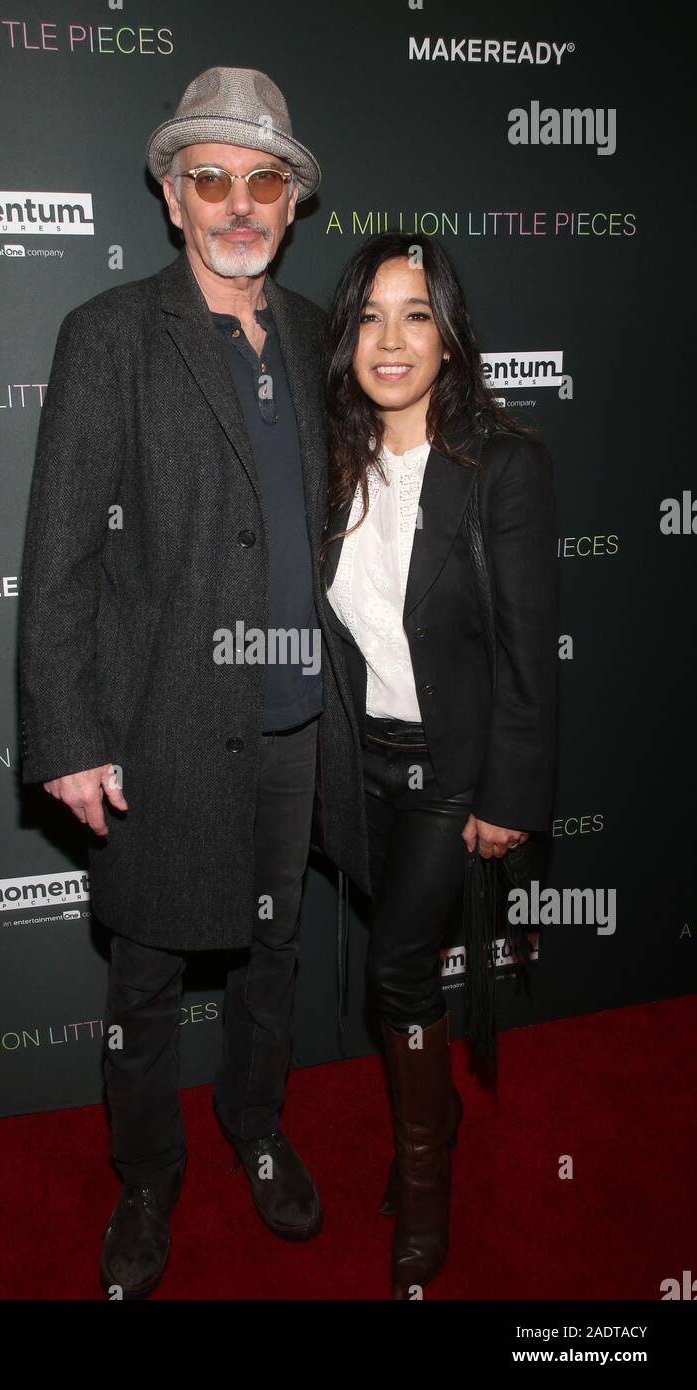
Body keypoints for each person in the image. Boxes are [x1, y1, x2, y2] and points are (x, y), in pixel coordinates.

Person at [17, 66, 369, 1299]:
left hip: (296, 726)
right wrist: (68, 727)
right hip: (161, 726)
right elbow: (59, 556)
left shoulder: (330, 339)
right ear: (171, 198)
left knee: (272, 959)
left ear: (290, 201)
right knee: (149, 974)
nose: (236, 203)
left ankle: (257, 1124)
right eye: (208, 178)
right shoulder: (108, 335)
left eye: (261, 180)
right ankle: (147, 1175)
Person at [321, 232, 558, 1300]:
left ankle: (425, 1177)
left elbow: (525, 648)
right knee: (395, 962)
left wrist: (506, 797)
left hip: (447, 772)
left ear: (449, 336)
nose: (390, 337)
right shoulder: (333, 463)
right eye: (369, 314)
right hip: (355, 766)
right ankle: (437, 1108)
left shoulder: (500, 466)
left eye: (414, 313)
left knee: (394, 974)